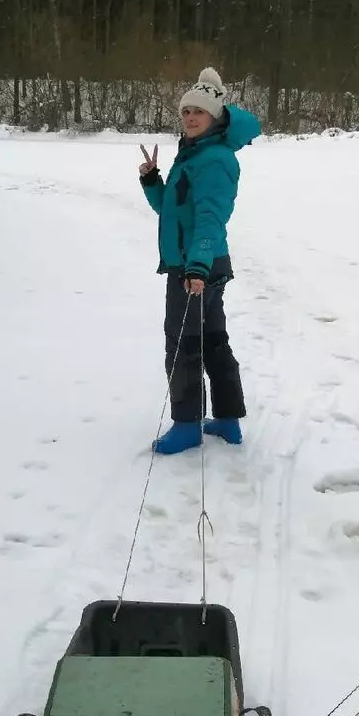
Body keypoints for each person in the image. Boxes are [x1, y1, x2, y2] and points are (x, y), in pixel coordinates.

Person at [138, 67, 261, 455]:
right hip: (202, 263)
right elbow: (173, 213)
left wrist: (196, 268)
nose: (190, 117)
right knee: (211, 340)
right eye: (186, 110)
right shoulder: (193, 154)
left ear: (215, 117)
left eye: (199, 112)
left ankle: (188, 426)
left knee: (183, 343)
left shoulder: (213, 159)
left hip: (197, 266)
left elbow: (211, 217)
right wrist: (153, 181)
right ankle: (227, 421)